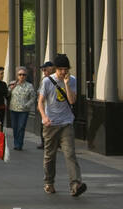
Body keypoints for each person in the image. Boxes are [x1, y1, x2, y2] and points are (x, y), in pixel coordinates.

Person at [39, 53, 85, 197]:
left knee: (70, 154)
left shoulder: (72, 81)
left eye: (66, 69)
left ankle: (75, 184)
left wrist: (65, 84)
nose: (63, 72)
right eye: (60, 69)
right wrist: (44, 116)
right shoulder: (47, 82)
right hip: (51, 123)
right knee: (49, 156)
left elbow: (72, 101)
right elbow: (40, 102)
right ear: (55, 69)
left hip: (66, 123)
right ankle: (49, 182)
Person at [8, 68, 37, 150]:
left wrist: (27, 105)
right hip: (13, 109)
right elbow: (7, 94)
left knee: (21, 127)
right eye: (20, 74)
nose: (22, 76)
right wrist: (11, 88)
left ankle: (19, 144)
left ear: (26, 76)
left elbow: (33, 97)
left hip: (24, 110)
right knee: (15, 127)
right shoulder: (13, 83)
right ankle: (16, 142)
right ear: (17, 76)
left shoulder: (29, 86)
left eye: (24, 75)